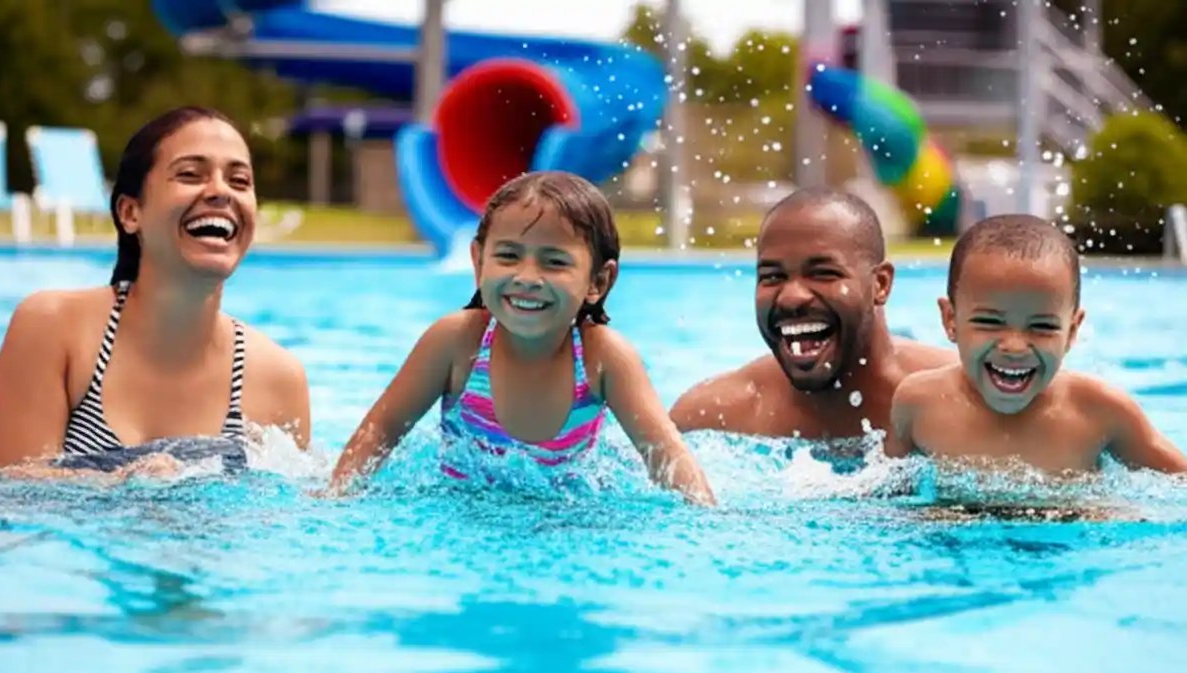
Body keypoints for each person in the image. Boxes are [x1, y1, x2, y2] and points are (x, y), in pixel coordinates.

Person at [327, 171, 715, 505]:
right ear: (479, 262)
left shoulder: (602, 357)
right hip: (464, 514)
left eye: (555, 261)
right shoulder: (457, 342)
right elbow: (381, 428)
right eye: (509, 256)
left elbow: (667, 454)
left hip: (567, 520)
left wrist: (705, 516)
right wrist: (337, 496)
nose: (527, 277)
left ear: (598, 281)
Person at [0, 106, 310, 475]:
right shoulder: (53, 328)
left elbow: (289, 503)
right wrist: (123, 484)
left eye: (239, 181)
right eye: (190, 174)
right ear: (130, 213)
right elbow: (7, 488)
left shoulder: (278, 378)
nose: (221, 191)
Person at [885, 214, 1187, 475]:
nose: (1015, 347)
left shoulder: (1100, 411)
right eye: (989, 322)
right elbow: (890, 493)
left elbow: (1179, 479)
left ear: (1071, 331)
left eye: (1042, 327)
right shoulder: (918, 403)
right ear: (950, 320)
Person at [670, 187, 954, 446]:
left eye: (823, 273)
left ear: (880, 284)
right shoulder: (712, 418)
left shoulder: (956, 402)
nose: (791, 298)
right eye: (772, 276)